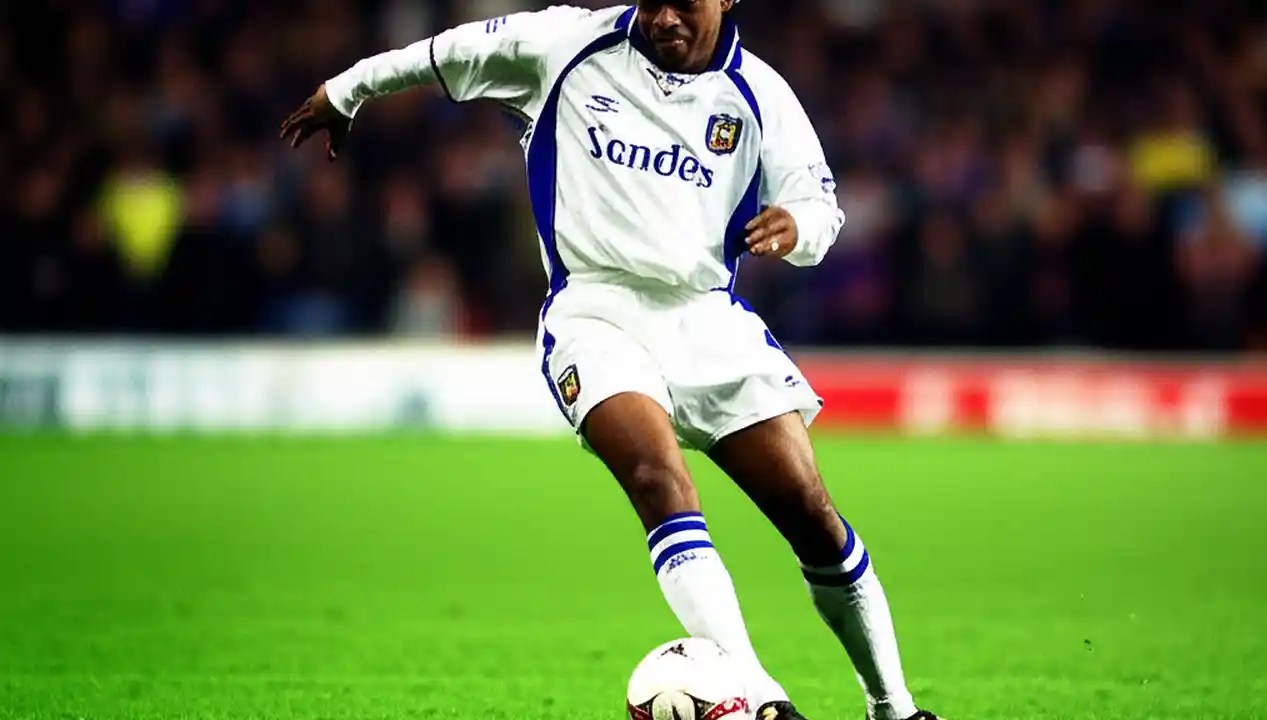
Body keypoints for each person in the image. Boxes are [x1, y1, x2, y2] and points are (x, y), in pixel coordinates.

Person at [281, 3, 940, 719]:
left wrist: (798, 227)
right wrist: (345, 92)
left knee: (813, 515)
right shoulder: (563, 45)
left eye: (682, 4)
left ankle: (893, 707)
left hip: (708, 322)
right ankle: (762, 698)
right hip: (595, 313)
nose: (661, 17)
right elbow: (441, 52)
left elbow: (819, 204)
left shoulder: (760, 95)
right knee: (658, 478)